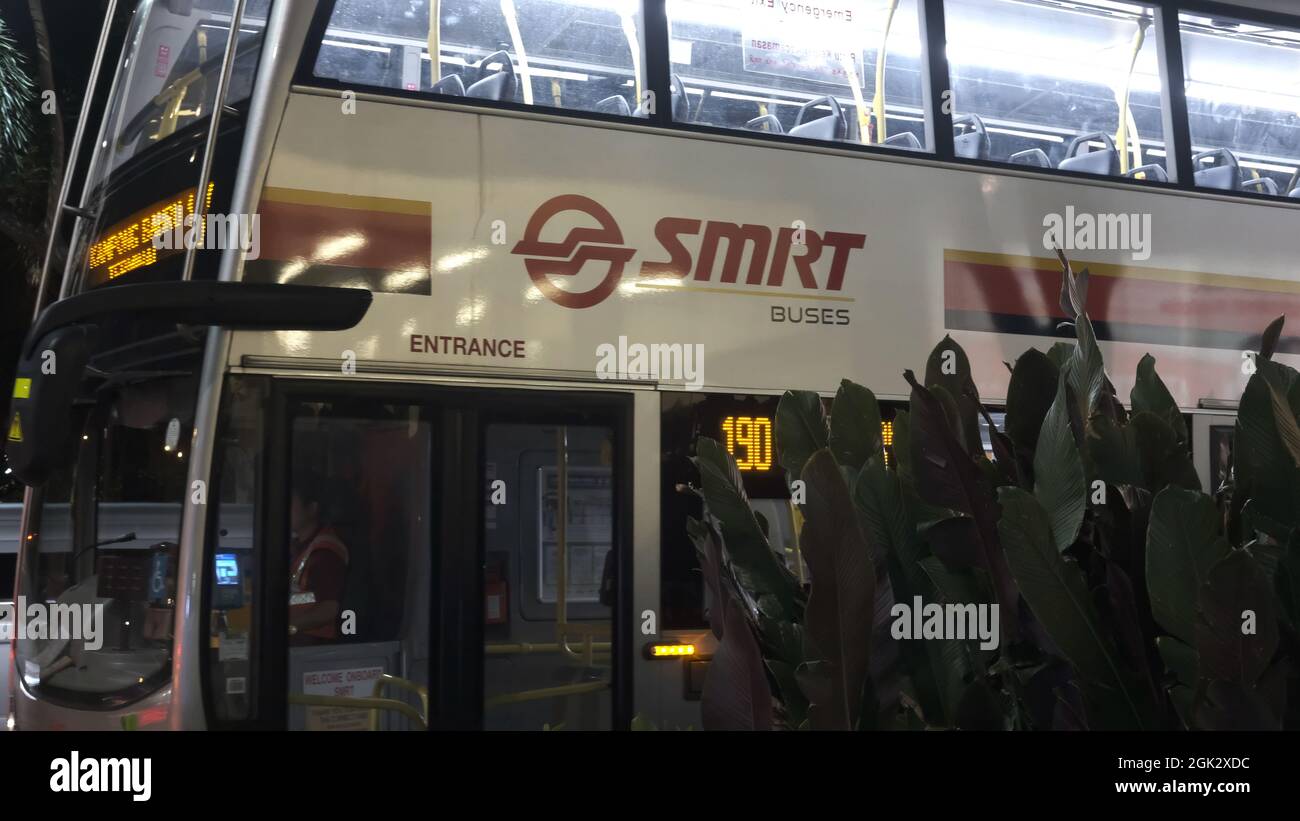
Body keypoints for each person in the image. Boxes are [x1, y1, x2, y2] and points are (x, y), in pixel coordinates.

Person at [288, 472, 349, 643]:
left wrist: (287, 627)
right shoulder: (300, 544)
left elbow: (328, 609)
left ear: (312, 509)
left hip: (313, 642)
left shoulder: (325, 551)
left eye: (291, 504)